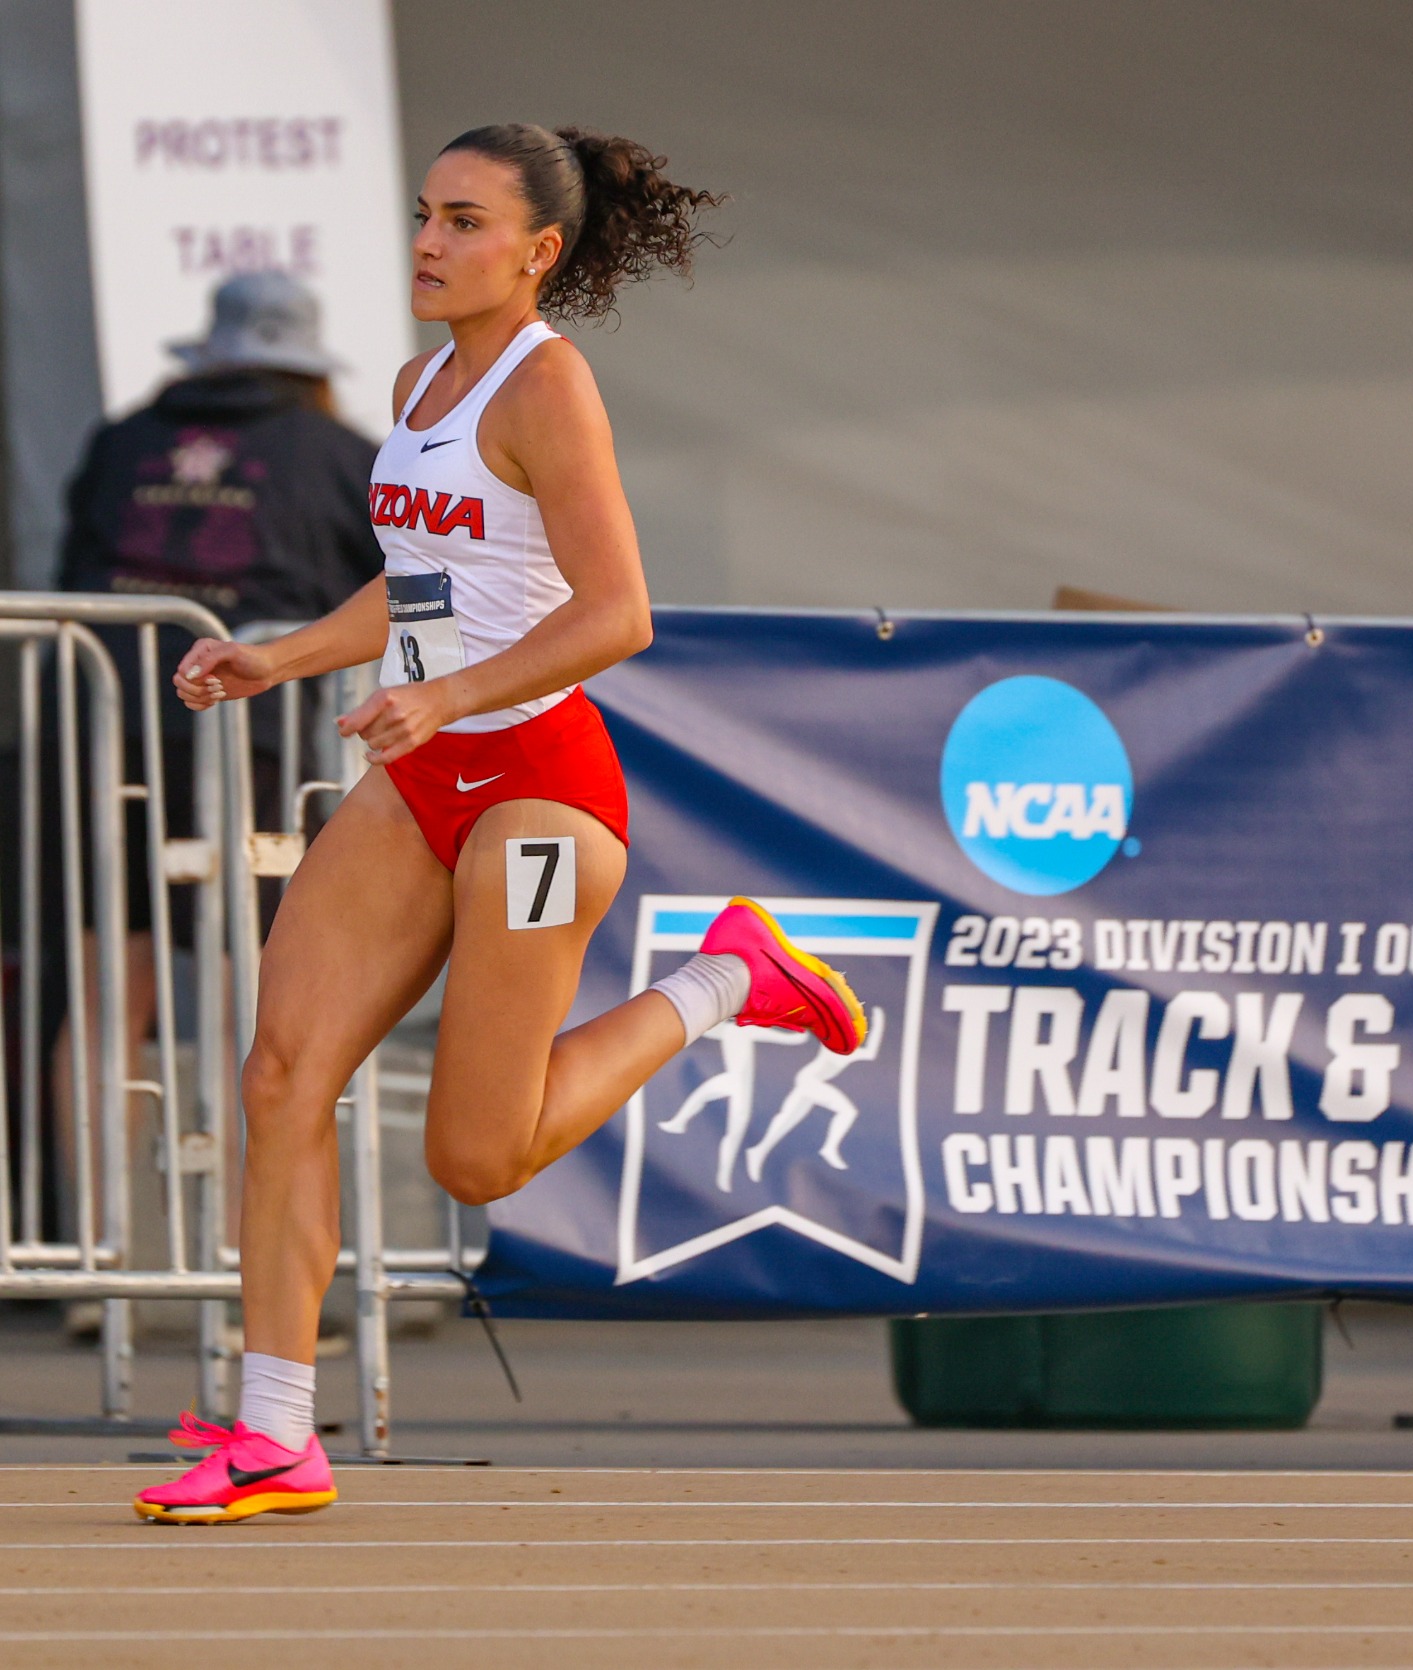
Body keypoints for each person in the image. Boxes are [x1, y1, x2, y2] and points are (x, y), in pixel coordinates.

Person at [132, 124, 864, 1524]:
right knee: (281, 1074)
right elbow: (418, 589)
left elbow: (618, 614)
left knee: (475, 1155)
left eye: (463, 221)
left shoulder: (550, 389)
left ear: (538, 253)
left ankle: (730, 978)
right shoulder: (417, 383)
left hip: (539, 786)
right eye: (423, 214)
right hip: (423, 770)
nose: (426, 241)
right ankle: (276, 1431)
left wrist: (451, 693)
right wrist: (277, 653)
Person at [47, 272, 381, 1328]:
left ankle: (100, 1260)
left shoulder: (123, 439)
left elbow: (66, 578)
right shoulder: (339, 454)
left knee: (110, 983)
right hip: (259, 736)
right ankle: (253, 1261)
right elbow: (389, 598)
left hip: (106, 722)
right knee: (262, 994)